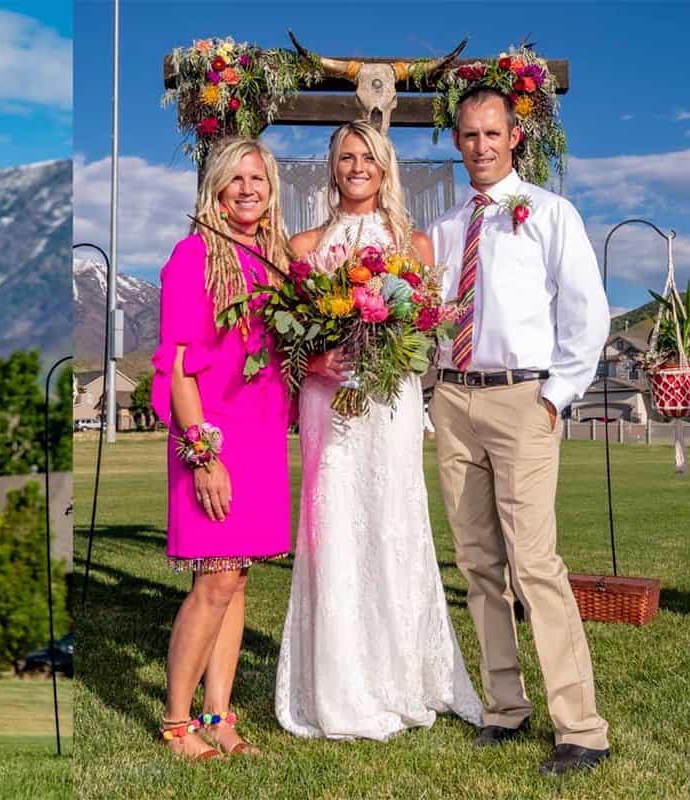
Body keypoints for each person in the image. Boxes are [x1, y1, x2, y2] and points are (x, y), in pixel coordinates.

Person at [274, 120, 483, 742]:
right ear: (331, 168)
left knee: (393, 520)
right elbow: (277, 333)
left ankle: (404, 676)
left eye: (367, 156)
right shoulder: (303, 245)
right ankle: (338, 682)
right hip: (326, 403)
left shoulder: (413, 245)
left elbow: (426, 330)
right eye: (345, 157)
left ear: (384, 165)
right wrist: (315, 361)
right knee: (332, 523)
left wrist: (389, 349)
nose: (356, 166)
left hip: (388, 404)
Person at [427, 86, 611, 776]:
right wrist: (430, 395)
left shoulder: (551, 215)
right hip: (453, 401)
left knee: (535, 563)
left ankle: (582, 728)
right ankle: (505, 708)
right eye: (469, 135)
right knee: (477, 563)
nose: (481, 145)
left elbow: (587, 314)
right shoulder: (446, 228)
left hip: (522, 402)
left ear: (515, 138)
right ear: (456, 142)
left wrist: (554, 398)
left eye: (492, 133)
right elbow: (428, 319)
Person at [151, 137, 293, 759]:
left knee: (236, 581)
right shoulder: (192, 256)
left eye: (257, 177)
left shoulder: (275, 258)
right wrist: (203, 452)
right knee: (214, 579)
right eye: (235, 178)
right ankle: (178, 722)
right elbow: (178, 367)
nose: (247, 188)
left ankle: (219, 714)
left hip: (261, 436)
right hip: (211, 435)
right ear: (215, 187)